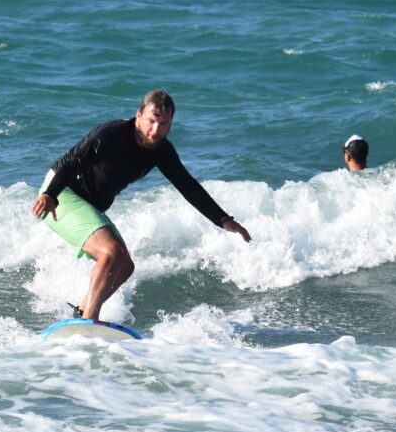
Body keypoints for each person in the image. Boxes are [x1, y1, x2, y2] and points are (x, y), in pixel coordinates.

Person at [31, 89, 251, 323]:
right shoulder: (112, 133)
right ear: (139, 115)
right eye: (152, 120)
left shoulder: (162, 151)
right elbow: (75, 162)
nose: (156, 130)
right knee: (112, 251)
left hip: (89, 205)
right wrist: (50, 194)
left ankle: (82, 311)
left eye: (163, 124)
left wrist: (223, 219)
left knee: (125, 266)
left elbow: (187, 185)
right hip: (63, 192)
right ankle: (89, 319)